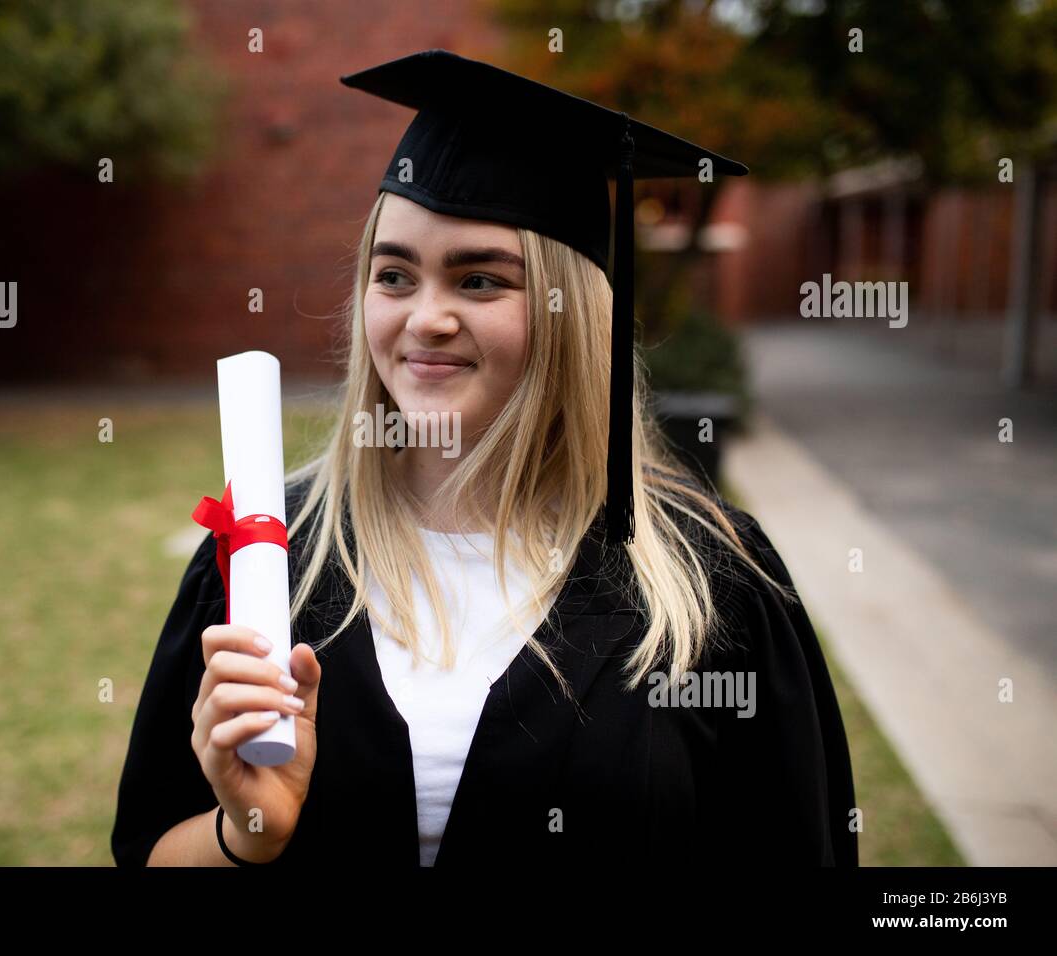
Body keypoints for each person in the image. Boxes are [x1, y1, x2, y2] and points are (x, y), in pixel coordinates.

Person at [111, 49, 859, 868]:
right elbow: (150, 850)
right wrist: (248, 832)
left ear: (570, 313)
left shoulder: (713, 584)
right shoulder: (270, 558)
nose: (424, 317)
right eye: (394, 274)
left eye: (478, 281)